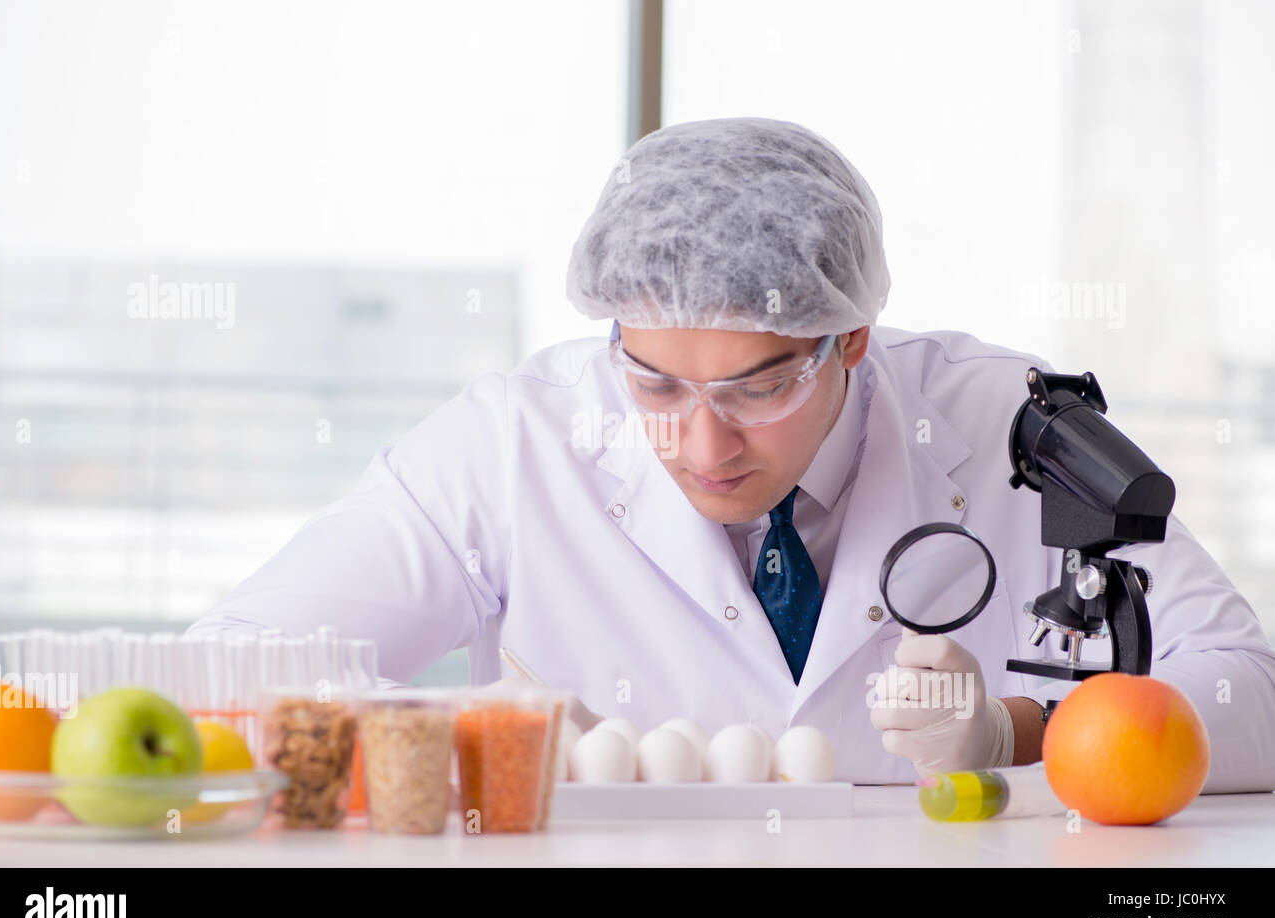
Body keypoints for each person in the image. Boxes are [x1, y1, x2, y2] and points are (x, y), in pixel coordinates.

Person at [187, 117, 1275, 789]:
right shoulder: (512, 442)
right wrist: (468, 726)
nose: (701, 442)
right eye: (653, 381)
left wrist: (1016, 732)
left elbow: (1251, 696)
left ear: (849, 335)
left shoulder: (1003, 423)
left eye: (758, 386)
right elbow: (226, 669)